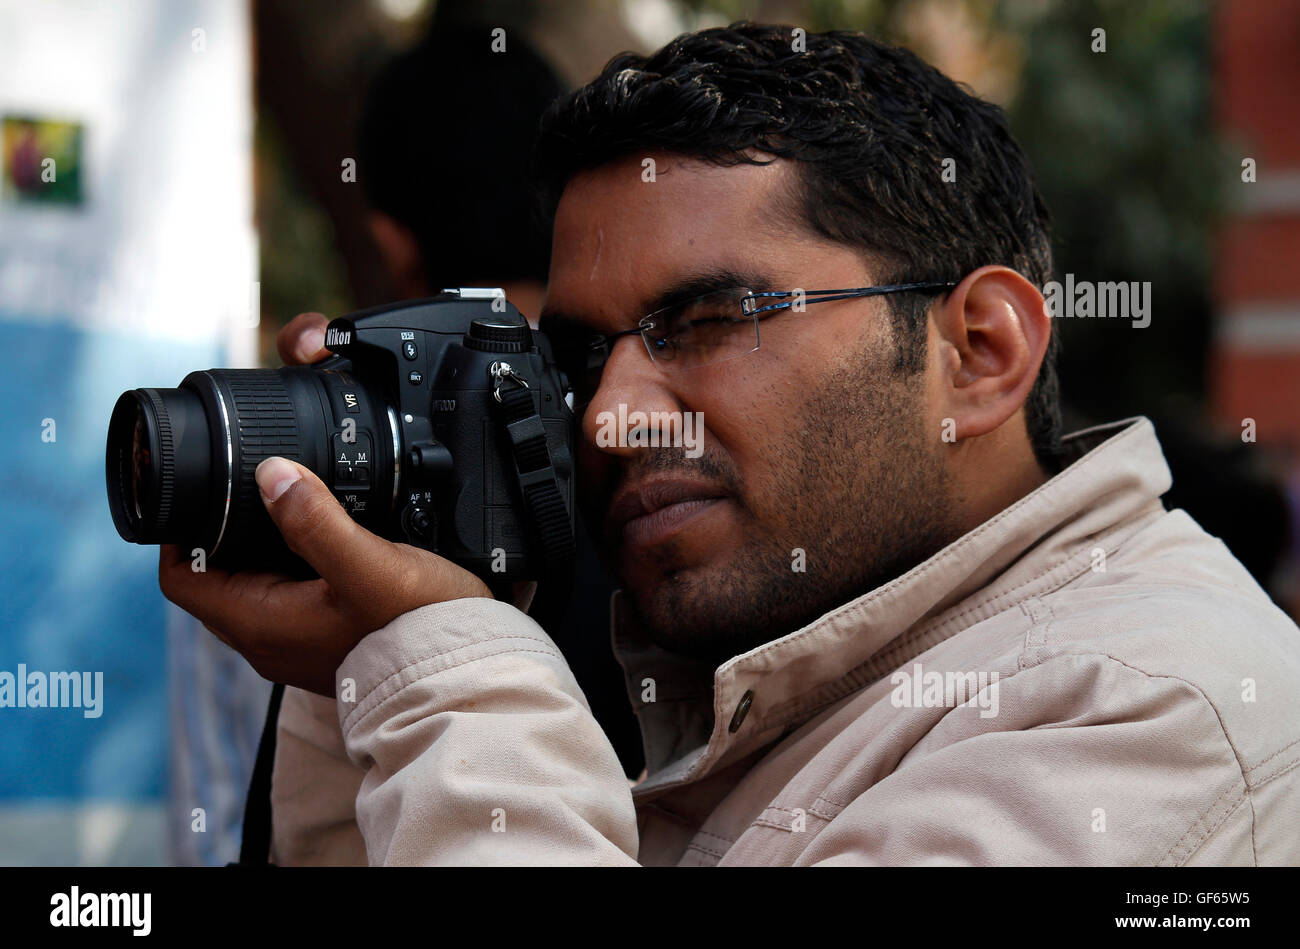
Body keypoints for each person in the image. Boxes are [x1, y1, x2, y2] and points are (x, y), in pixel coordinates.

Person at [161, 23, 1300, 865]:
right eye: (584, 353)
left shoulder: (1152, 708)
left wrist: (450, 674)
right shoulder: (781, 666)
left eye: (702, 323)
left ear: (979, 350)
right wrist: (368, 646)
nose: (607, 415)